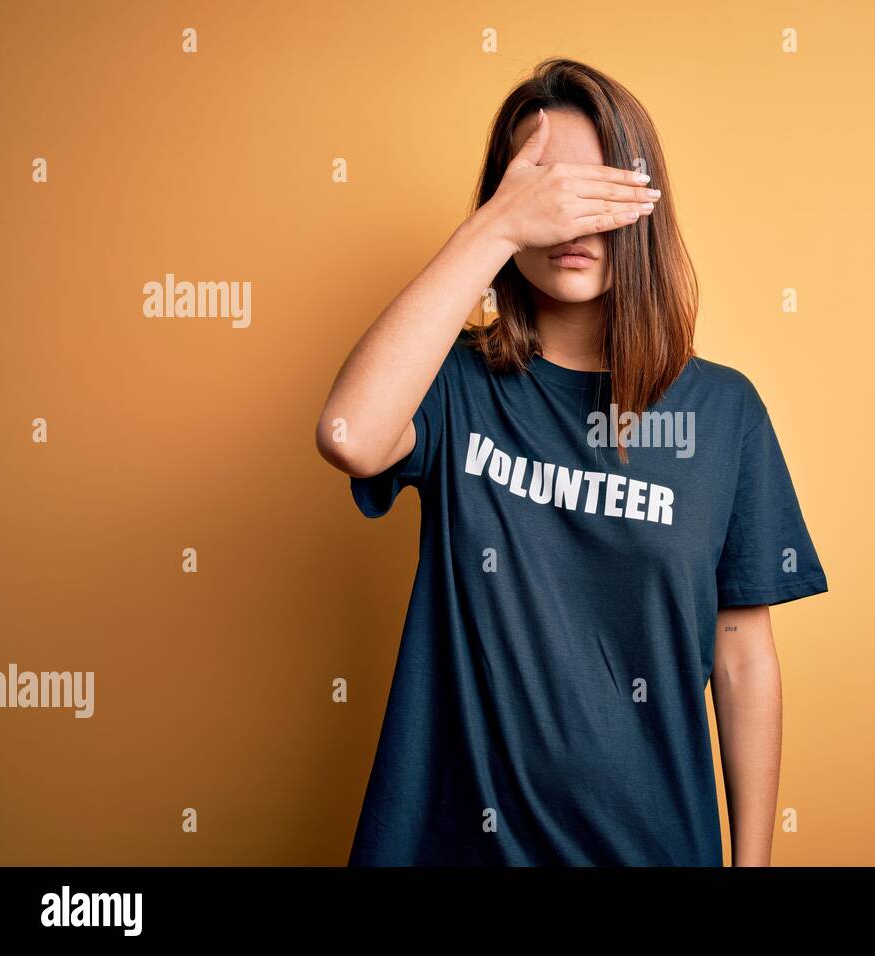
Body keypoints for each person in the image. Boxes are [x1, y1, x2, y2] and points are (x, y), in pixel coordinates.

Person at [316, 58, 827, 866]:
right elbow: (349, 435)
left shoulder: (724, 413)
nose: (569, 219)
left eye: (596, 191)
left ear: (644, 206)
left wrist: (753, 865)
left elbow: (742, 652)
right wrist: (493, 229)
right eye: (542, 189)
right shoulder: (455, 387)